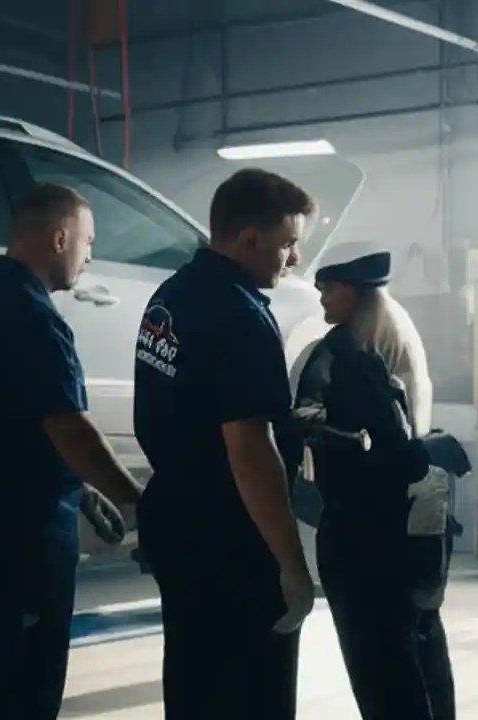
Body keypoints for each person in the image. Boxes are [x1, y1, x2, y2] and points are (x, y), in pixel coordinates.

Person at [0, 184, 143, 720]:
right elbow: (68, 426)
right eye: (88, 241)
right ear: (59, 238)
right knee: (27, 680)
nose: (91, 254)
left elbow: (9, 417)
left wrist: (80, 488)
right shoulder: (33, 318)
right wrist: (134, 498)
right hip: (24, 531)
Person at [133, 168, 316, 719]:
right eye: (288, 244)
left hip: (176, 522)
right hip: (231, 541)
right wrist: (291, 564)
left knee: (193, 687)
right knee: (251, 696)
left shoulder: (171, 296)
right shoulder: (241, 316)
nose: (295, 260)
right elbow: (250, 452)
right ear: (249, 240)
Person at [293, 246, 458, 719]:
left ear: (349, 291)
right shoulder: (399, 332)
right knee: (422, 652)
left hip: (362, 530)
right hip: (418, 526)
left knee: (378, 664)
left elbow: (307, 421)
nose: (321, 299)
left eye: (327, 289)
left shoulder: (342, 352)